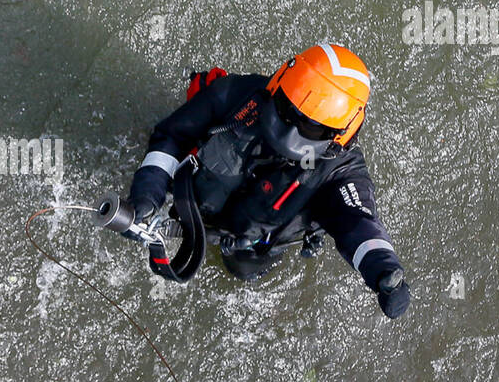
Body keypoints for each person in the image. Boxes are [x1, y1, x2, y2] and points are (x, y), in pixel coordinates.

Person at [127, 43, 410, 318]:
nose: (288, 131)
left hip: (251, 243)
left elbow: (359, 223)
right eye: (288, 110)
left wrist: (383, 271)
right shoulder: (236, 95)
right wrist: (147, 195)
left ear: (337, 135)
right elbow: (172, 136)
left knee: (243, 270)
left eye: (309, 127)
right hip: (195, 201)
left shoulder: (341, 172)